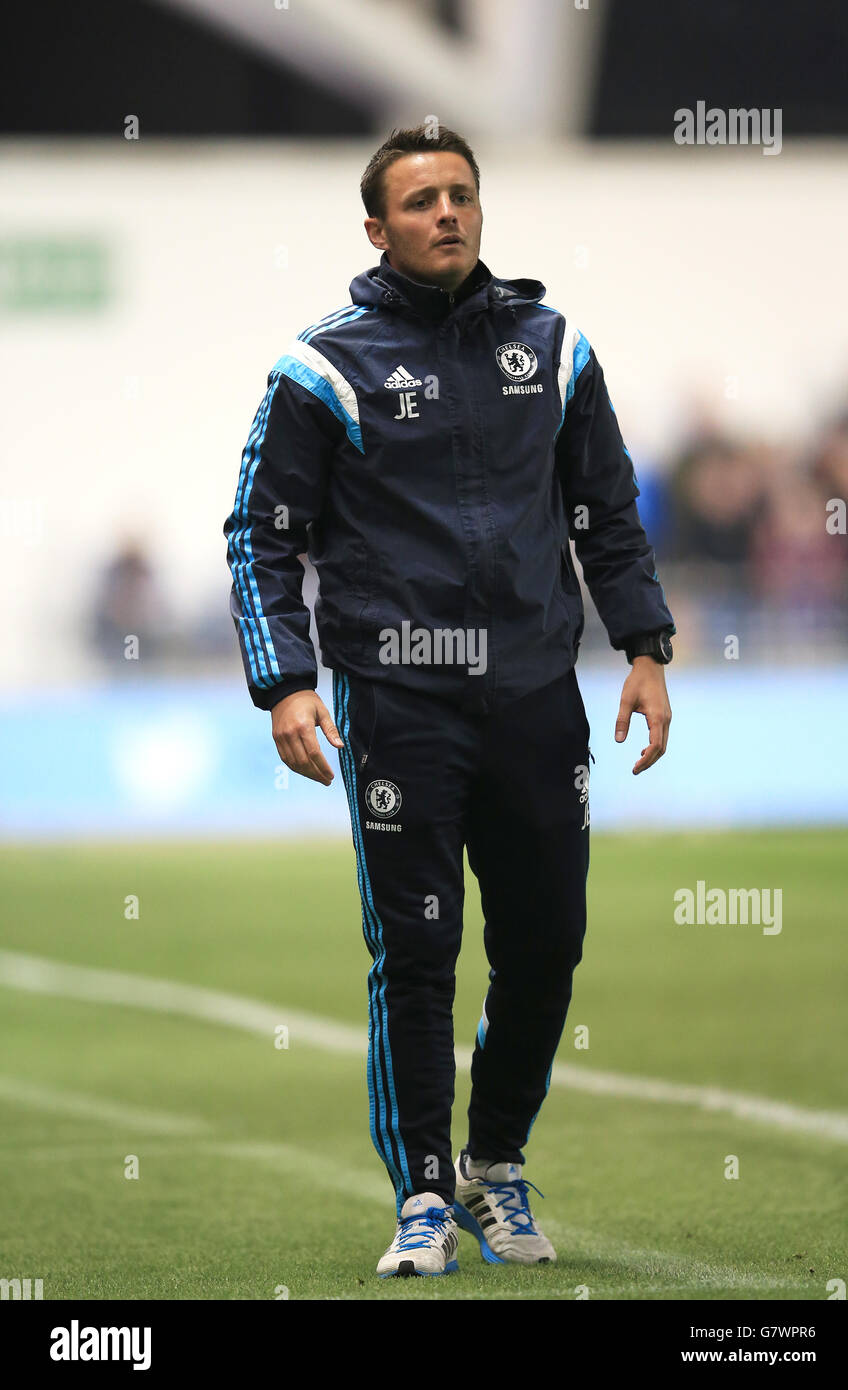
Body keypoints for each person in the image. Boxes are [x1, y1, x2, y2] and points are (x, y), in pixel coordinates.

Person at [224, 125, 675, 1279]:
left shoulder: (555, 346)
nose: (447, 214)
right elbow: (258, 535)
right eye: (420, 200)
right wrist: (284, 681)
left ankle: (494, 1160)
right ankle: (422, 1194)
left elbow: (605, 508)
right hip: (399, 703)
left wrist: (644, 644)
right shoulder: (322, 368)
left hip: (534, 699)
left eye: (461, 195)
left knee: (548, 947)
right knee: (419, 956)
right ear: (375, 227)